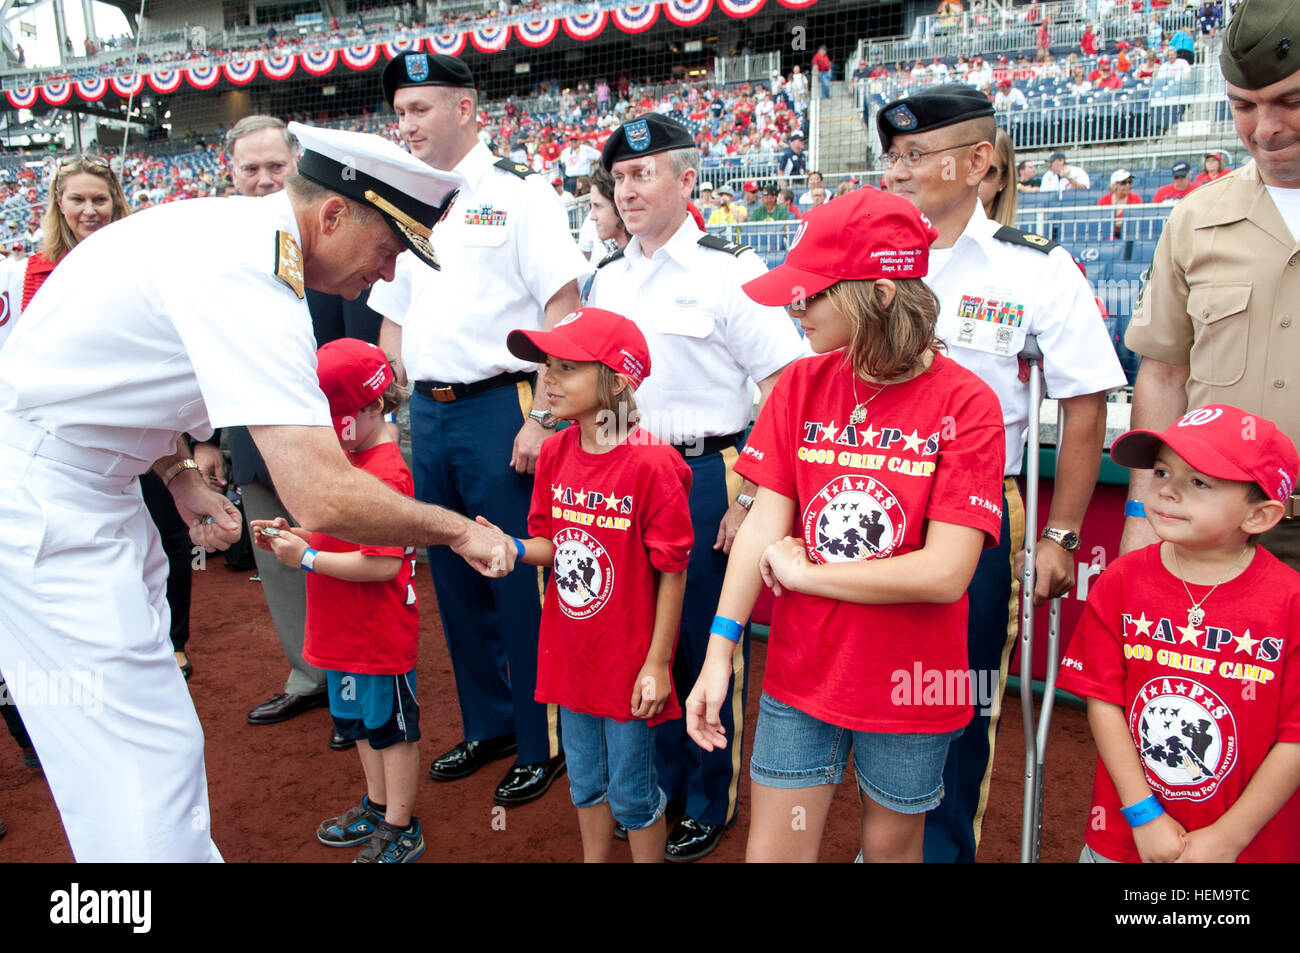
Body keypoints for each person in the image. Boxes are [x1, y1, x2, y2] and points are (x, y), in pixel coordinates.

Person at [0, 122, 512, 862]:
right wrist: (461, 531)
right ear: (333, 215)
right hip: (49, 500)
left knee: (131, 748)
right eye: (389, 248)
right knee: (138, 762)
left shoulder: (224, 229)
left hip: (77, 480)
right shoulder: (254, 269)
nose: (386, 272)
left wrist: (176, 470)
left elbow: (115, 373)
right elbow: (322, 494)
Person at [685, 187, 1007, 862]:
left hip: (910, 680)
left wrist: (810, 573)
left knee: (891, 851)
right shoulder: (800, 384)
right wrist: (720, 649)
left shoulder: (967, 403)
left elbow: (946, 572)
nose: (794, 306)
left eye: (812, 293)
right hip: (804, 671)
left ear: (881, 292)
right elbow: (760, 528)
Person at [877, 85, 1126, 862]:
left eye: (916, 155)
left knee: (954, 700)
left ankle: (942, 851)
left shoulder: (1036, 271)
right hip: (870, 499)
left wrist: (1060, 535)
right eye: (892, 156)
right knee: (868, 692)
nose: (897, 171)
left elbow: (1083, 406)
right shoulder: (872, 262)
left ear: (978, 161)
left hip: (971, 511)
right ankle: (887, 842)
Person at [586, 113, 807, 860]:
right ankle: (658, 786)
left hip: (708, 472)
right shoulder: (607, 276)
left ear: (687, 180)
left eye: (642, 174)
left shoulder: (730, 270)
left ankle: (709, 798)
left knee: (703, 641)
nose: (627, 189)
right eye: (618, 178)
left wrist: (750, 492)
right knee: (635, 638)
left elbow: (783, 386)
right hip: (624, 471)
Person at [370, 53, 587, 806]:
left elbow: (563, 309)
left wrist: (544, 414)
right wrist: (395, 404)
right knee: (456, 579)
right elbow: (392, 316)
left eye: (421, 109)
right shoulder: (407, 199)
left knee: (518, 577)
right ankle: (489, 721)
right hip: (428, 413)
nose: (407, 126)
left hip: (503, 406)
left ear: (465, 108)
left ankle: (542, 736)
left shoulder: (523, 194)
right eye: (401, 113)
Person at [203, 116, 388, 748]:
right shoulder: (223, 246)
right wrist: (205, 440)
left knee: (343, 555)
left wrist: (353, 433)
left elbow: (360, 348)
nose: (261, 179)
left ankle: (355, 688)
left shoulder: (328, 238)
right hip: (254, 441)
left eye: (274, 167)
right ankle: (309, 676)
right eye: (249, 168)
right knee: (280, 560)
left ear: (296, 169)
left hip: (332, 439)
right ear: (231, 173)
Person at [1059, 406, 1300, 862]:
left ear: (1260, 515)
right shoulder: (1122, 580)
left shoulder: (1289, 602)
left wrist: (1229, 837)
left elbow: (1295, 738)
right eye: (1163, 470)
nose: (1167, 490)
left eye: (1199, 482)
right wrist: (1144, 815)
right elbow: (1104, 702)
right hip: (1127, 835)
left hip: (1250, 846)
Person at [501, 307, 692, 862]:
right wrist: (507, 548)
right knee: (584, 780)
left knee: (634, 794)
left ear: (616, 380)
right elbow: (549, 545)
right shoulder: (557, 451)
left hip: (628, 663)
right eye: (546, 368)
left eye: (566, 368)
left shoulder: (652, 463)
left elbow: (672, 573)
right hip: (570, 655)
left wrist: (657, 664)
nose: (548, 381)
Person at [1123, 0, 1300, 573]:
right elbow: (1164, 373)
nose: (1266, 129)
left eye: (1291, 102)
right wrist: (1140, 511)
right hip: (1217, 534)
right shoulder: (1195, 219)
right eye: (1243, 106)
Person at [253, 339, 425, 863]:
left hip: (378, 634)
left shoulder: (386, 472)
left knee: (391, 731)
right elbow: (340, 535)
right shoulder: (348, 463)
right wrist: (298, 533)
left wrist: (303, 559)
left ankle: (401, 824)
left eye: (338, 418)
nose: (329, 430)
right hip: (343, 630)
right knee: (358, 726)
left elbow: (383, 564)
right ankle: (377, 806)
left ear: (375, 407)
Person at [981, 130, 1018, 227]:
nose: (974, 178)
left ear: (1003, 180)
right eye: (966, 168)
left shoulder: (1013, 242)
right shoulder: (938, 237)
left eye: (987, 171)